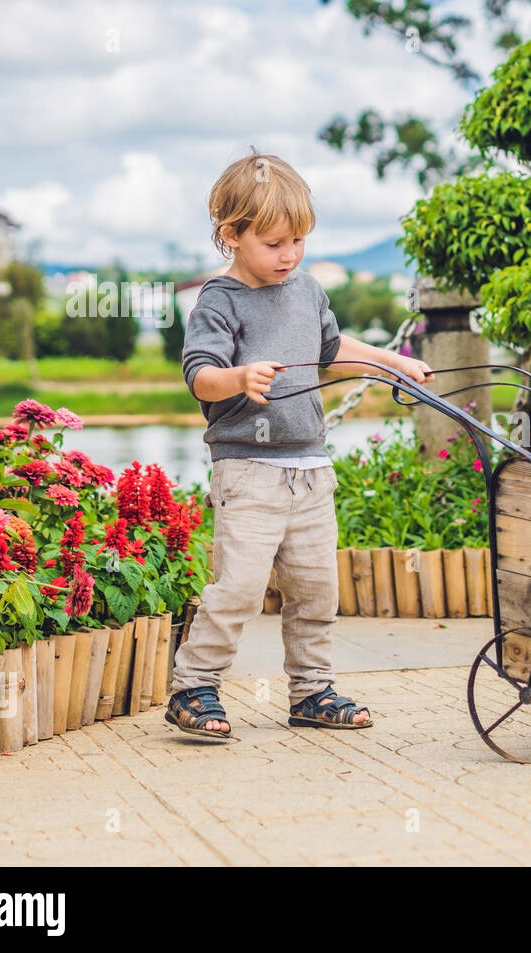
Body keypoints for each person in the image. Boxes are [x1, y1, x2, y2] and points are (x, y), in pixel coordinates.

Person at [166, 149, 433, 739]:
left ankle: (311, 691)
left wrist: (393, 361)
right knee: (237, 587)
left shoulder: (307, 289)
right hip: (249, 470)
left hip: (311, 471)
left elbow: (334, 349)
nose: (289, 255)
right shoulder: (218, 300)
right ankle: (194, 687)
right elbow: (199, 375)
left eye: (297, 242)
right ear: (231, 235)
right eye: (274, 243)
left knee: (316, 590)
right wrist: (237, 378)